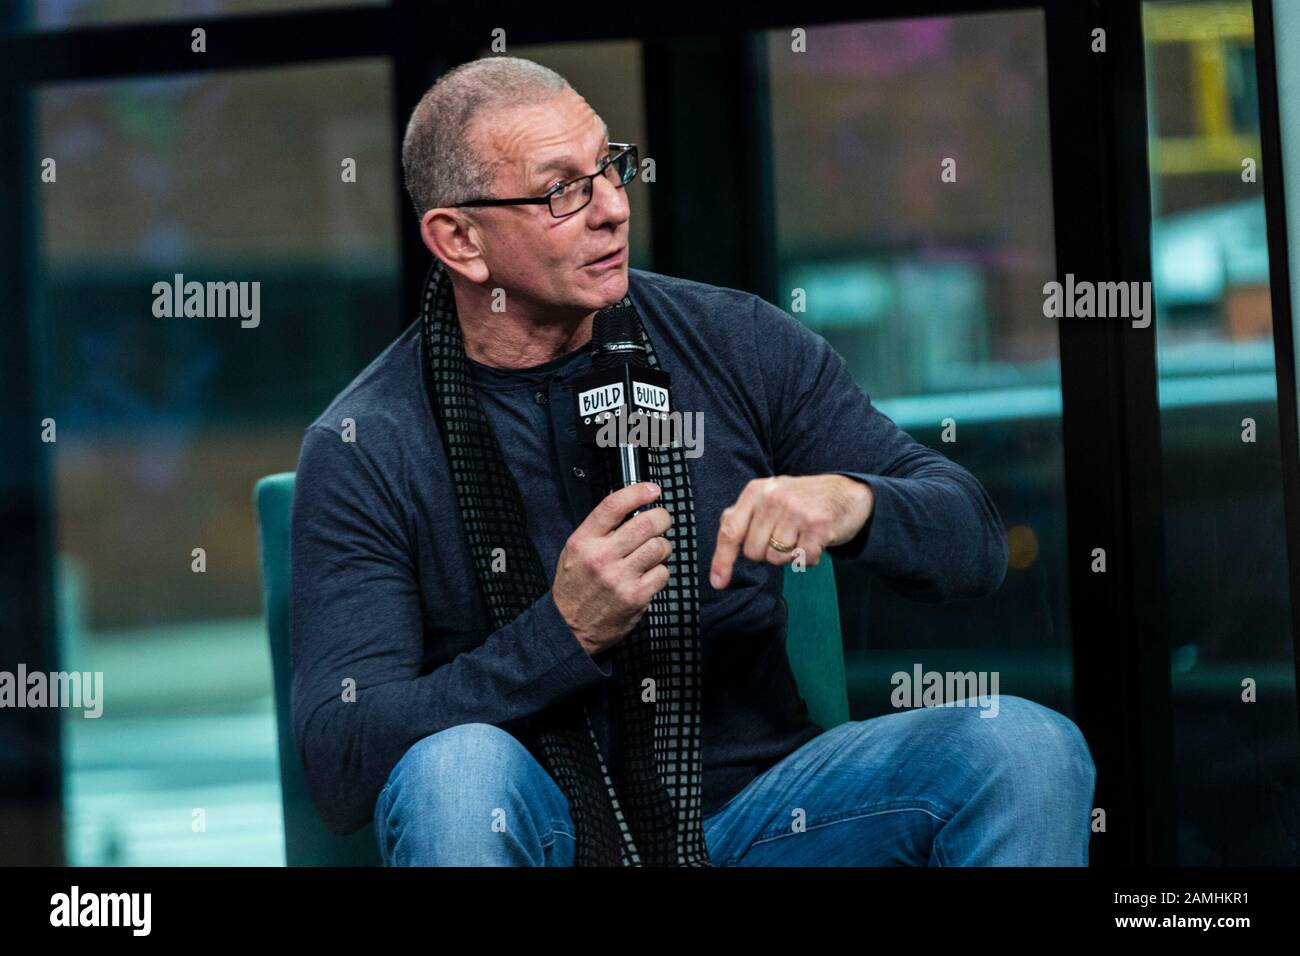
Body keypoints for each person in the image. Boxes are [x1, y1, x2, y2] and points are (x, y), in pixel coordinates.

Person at [291, 55, 1095, 866]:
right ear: (460, 240)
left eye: (610, 165)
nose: (612, 208)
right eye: (562, 190)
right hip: (546, 832)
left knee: (1021, 747)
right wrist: (562, 634)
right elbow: (342, 756)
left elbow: (977, 544)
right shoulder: (369, 444)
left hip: (770, 814)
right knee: (454, 773)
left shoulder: (736, 342)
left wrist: (856, 502)